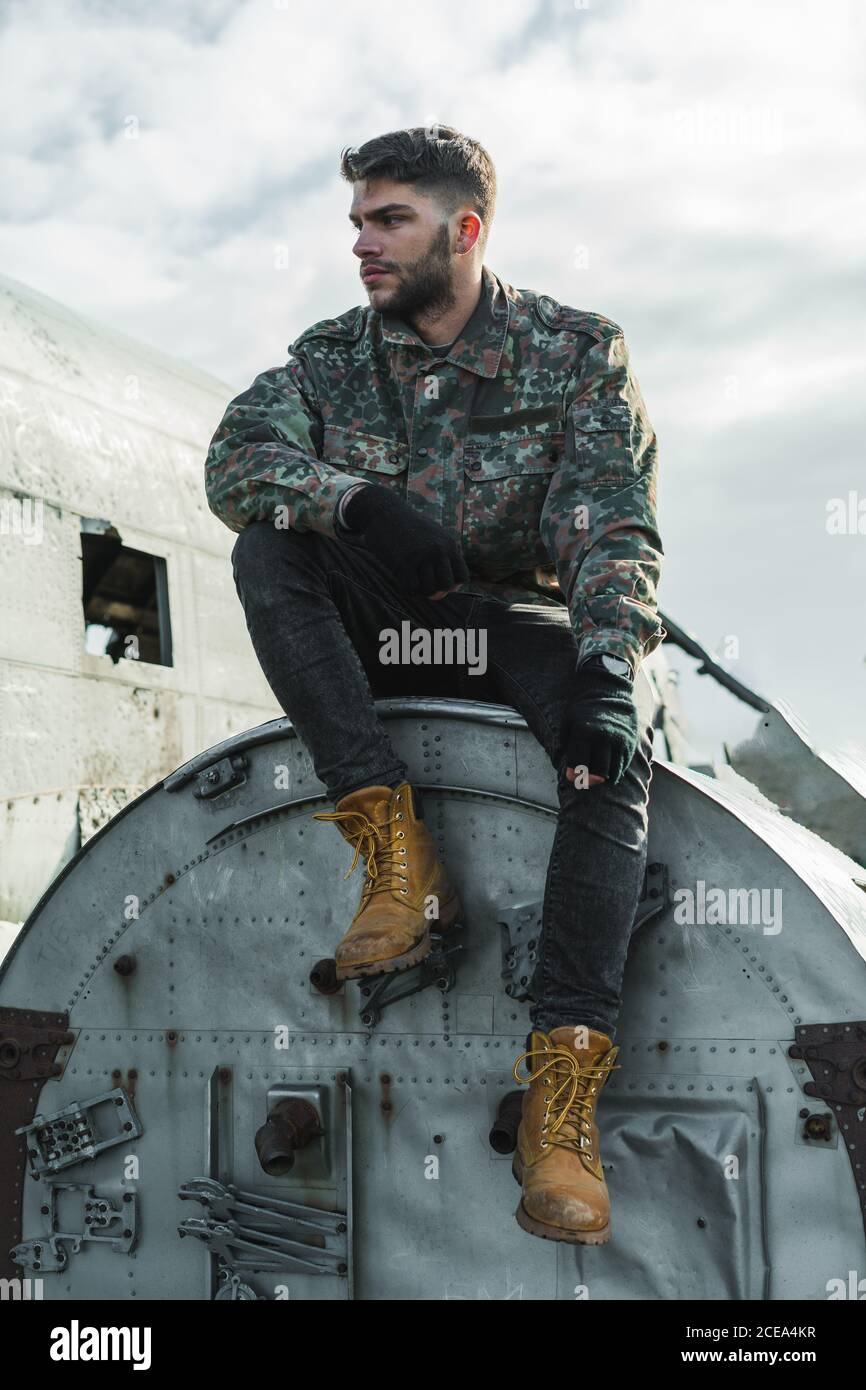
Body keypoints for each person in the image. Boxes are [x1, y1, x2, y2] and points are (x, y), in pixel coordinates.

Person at [204, 124, 665, 1245]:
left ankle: (561, 1104)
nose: (360, 242)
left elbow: (607, 522)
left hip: (498, 627)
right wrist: (354, 504)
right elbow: (236, 459)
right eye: (357, 219)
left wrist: (608, 664)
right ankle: (395, 863)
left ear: (463, 230)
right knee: (266, 548)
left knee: (605, 753)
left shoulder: (573, 349)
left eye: (387, 219)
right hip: (377, 625)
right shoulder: (329, 357)